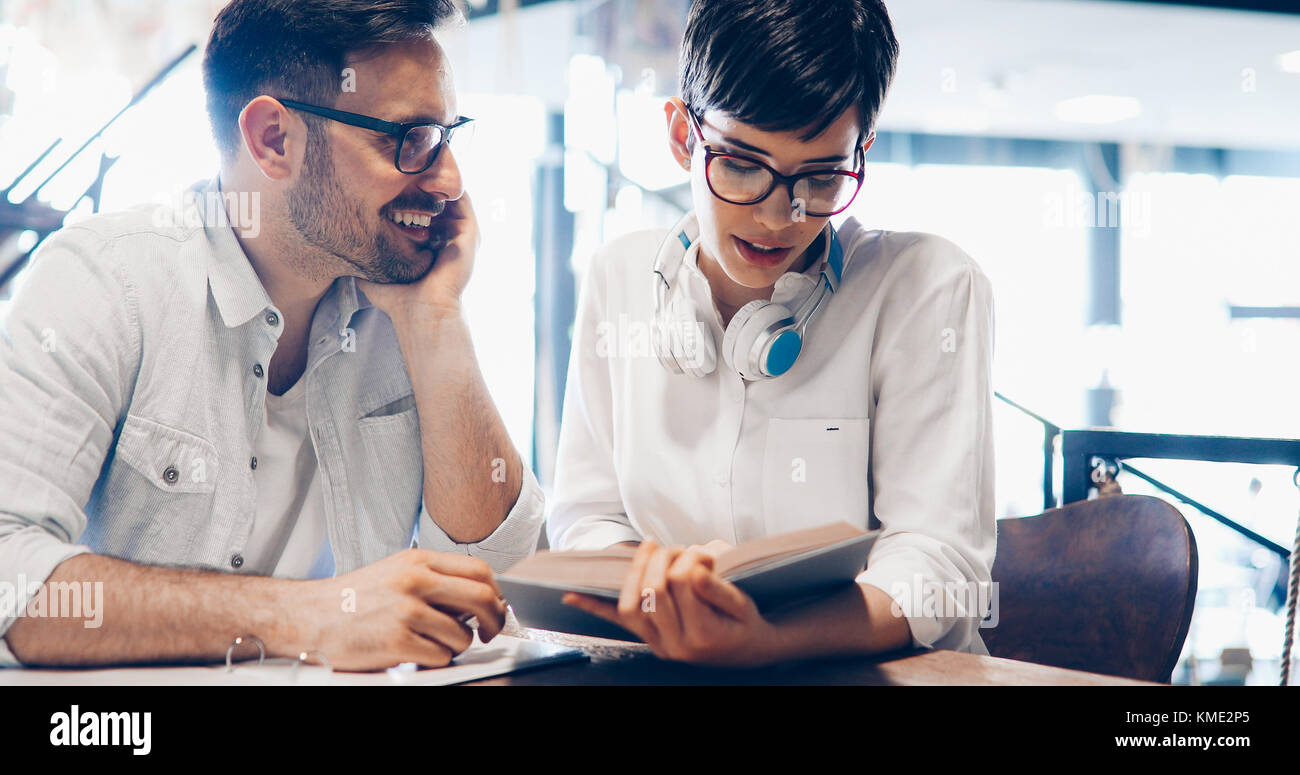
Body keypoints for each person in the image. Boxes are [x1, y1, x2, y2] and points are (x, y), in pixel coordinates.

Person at [0, 0, 543, 671]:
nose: (450, 180)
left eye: (446, 136)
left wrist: (436, 321)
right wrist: (313, 615)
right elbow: (10, 577)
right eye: (409, 138)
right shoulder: (106, 279)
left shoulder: (400, 295)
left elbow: (500, 592)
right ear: (273, 140)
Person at [550, 0, 997, 667]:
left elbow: (937, 567)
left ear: (860, 153)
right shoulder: (619, 277)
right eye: (739, 164)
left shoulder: (927, 287)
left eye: (820, 177)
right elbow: (586, 519)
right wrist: (658, 589)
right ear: (682, 136)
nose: (777, 214)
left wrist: (765, 641)